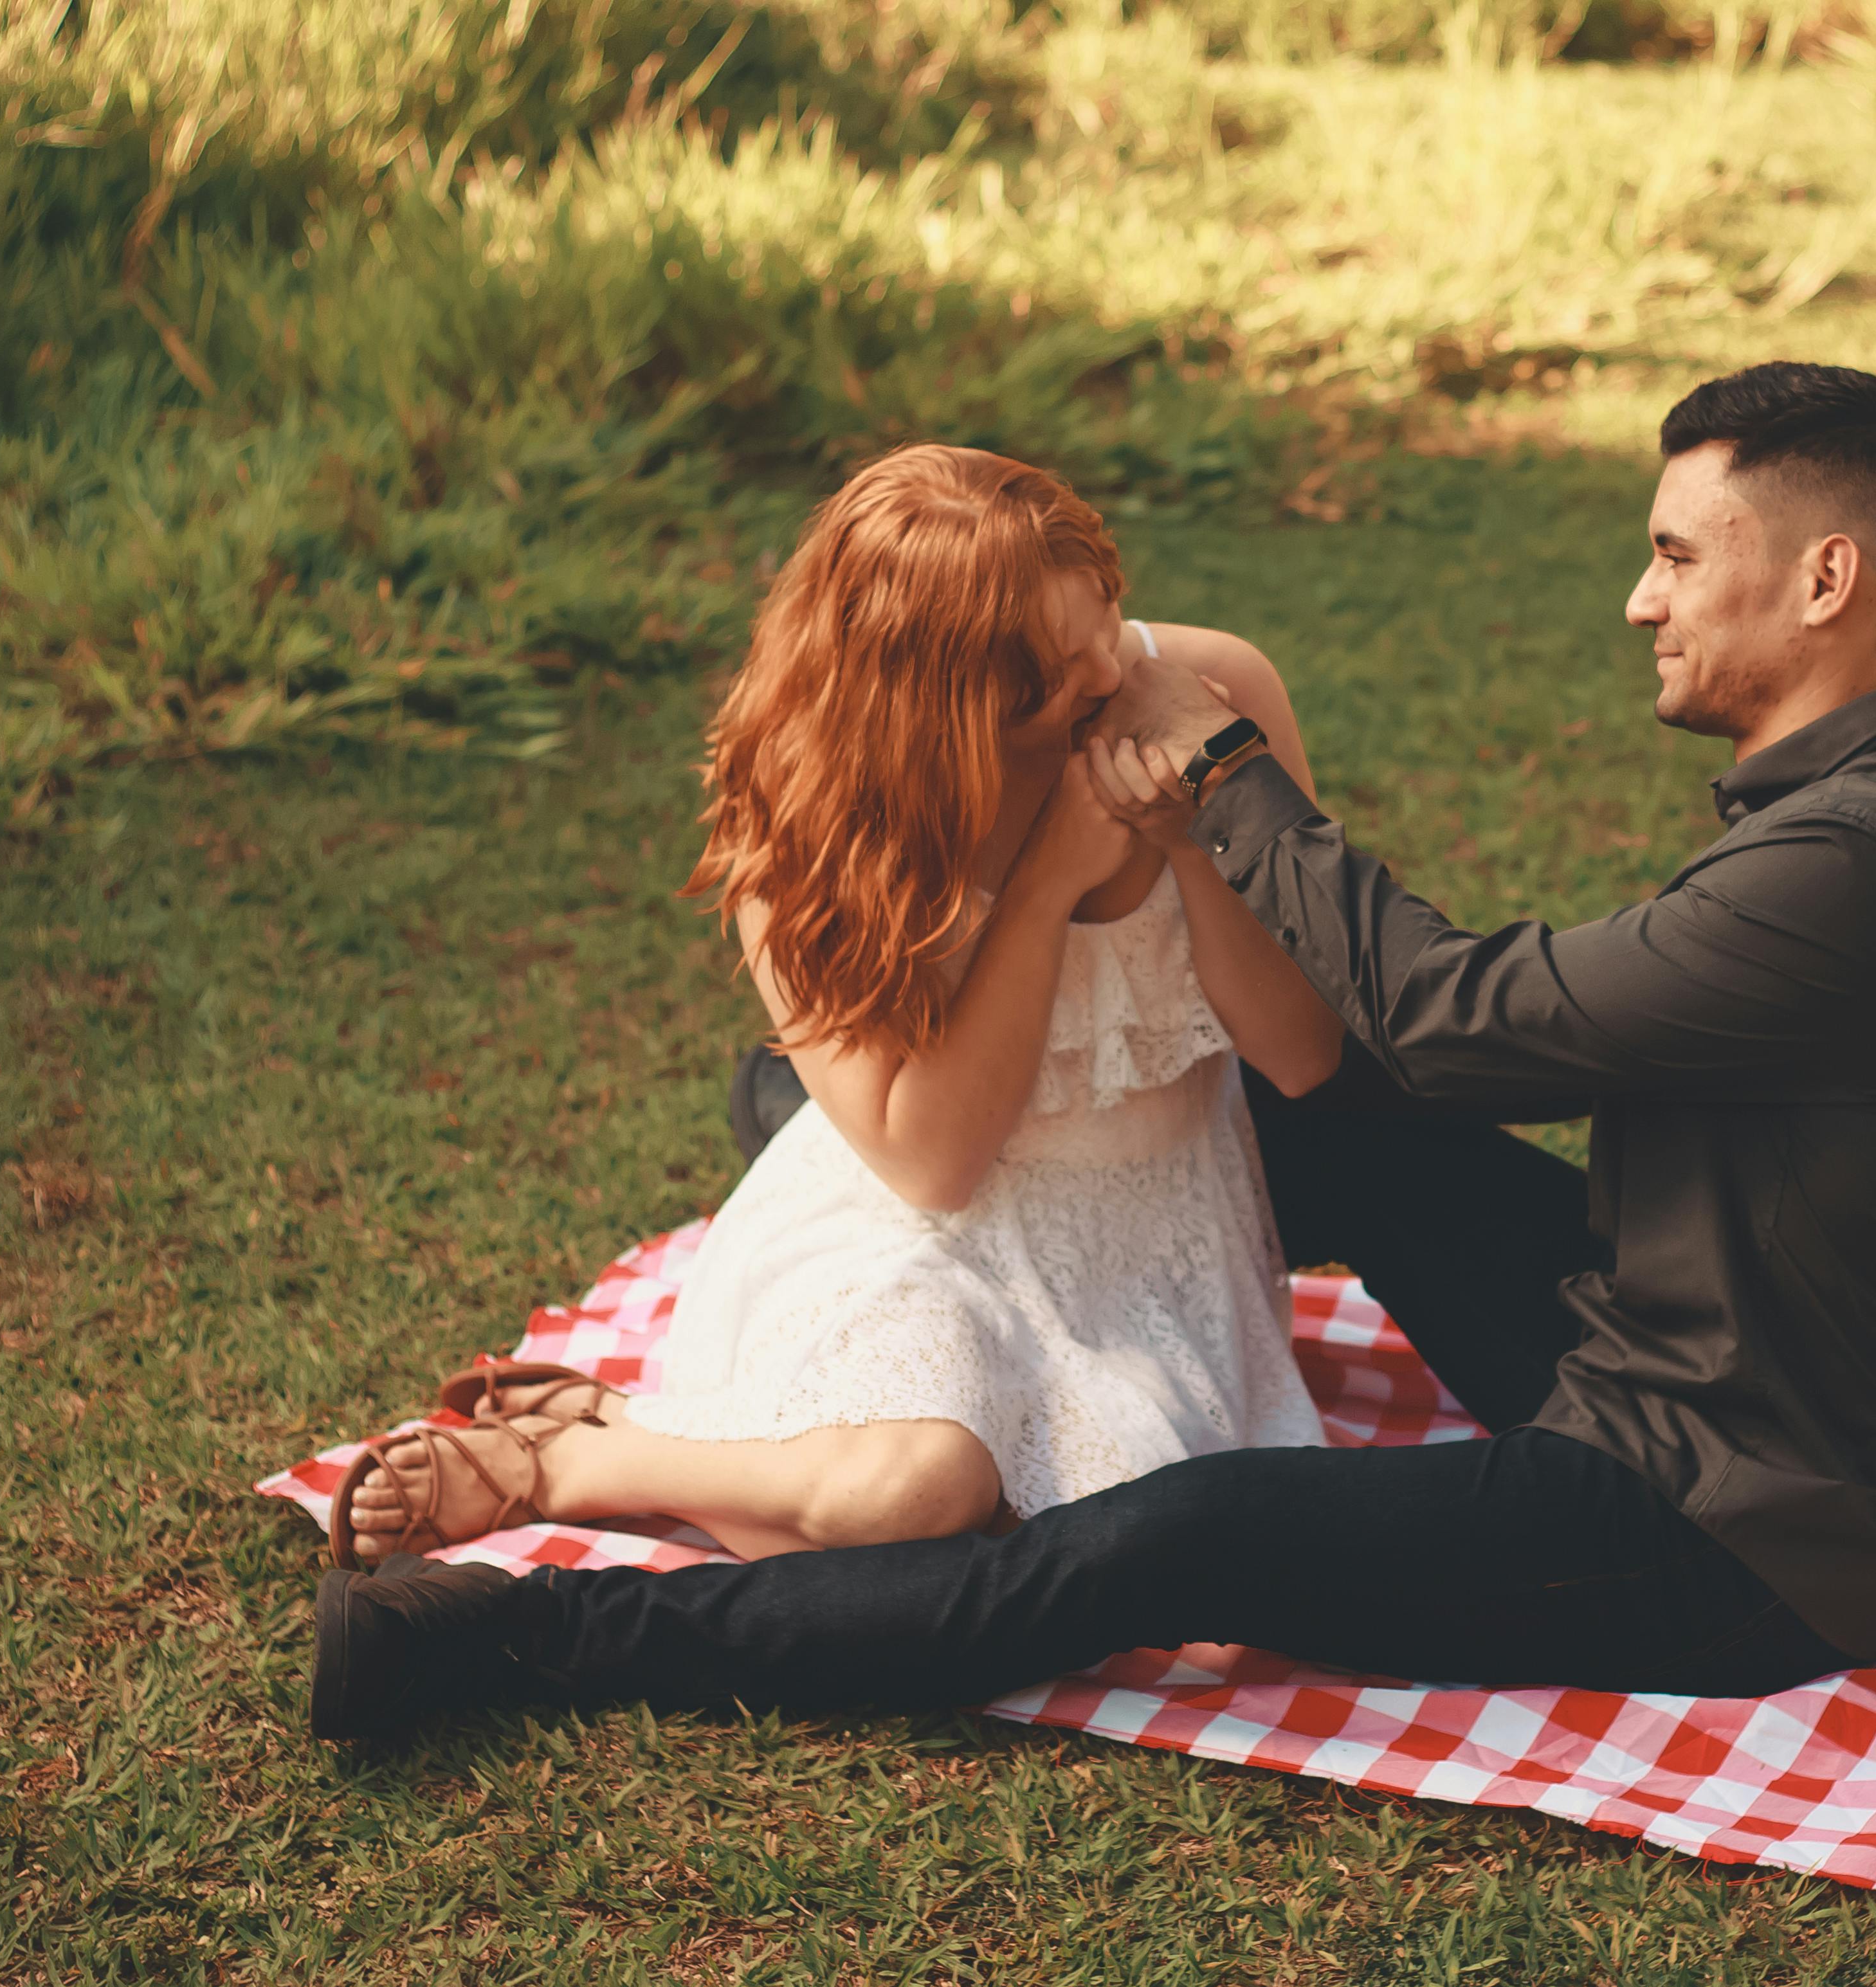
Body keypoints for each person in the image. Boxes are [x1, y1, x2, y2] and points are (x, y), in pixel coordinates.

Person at [308, 362, 1876, 1741]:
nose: (1636, 600)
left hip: (1729, 1524)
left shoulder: (1851, 866)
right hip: (1707, 1365)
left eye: (1674, 555)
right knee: (1329, 1133)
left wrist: (1223, 792)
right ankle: (796, 1121)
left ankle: (524, 1637)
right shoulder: (1874, 808)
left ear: (1824, 577)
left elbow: (1451, 1022)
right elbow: (1340, 1081)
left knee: (1176, 1538)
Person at [318, 444, 1343, 1574]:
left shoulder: (1215, 689)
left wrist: (1198, 833)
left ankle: (619, 1437)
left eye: (1107, 611)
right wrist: (1049, 878)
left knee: (1133, 1581)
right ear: (944, 706)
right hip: (915, 1236)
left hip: (1155, 1249)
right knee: (918, 1487)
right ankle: (561, 1463)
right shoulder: (810, 813)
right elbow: (933, 1168)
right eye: (1058, 673)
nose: (1113, 669)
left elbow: (1301, 1056)